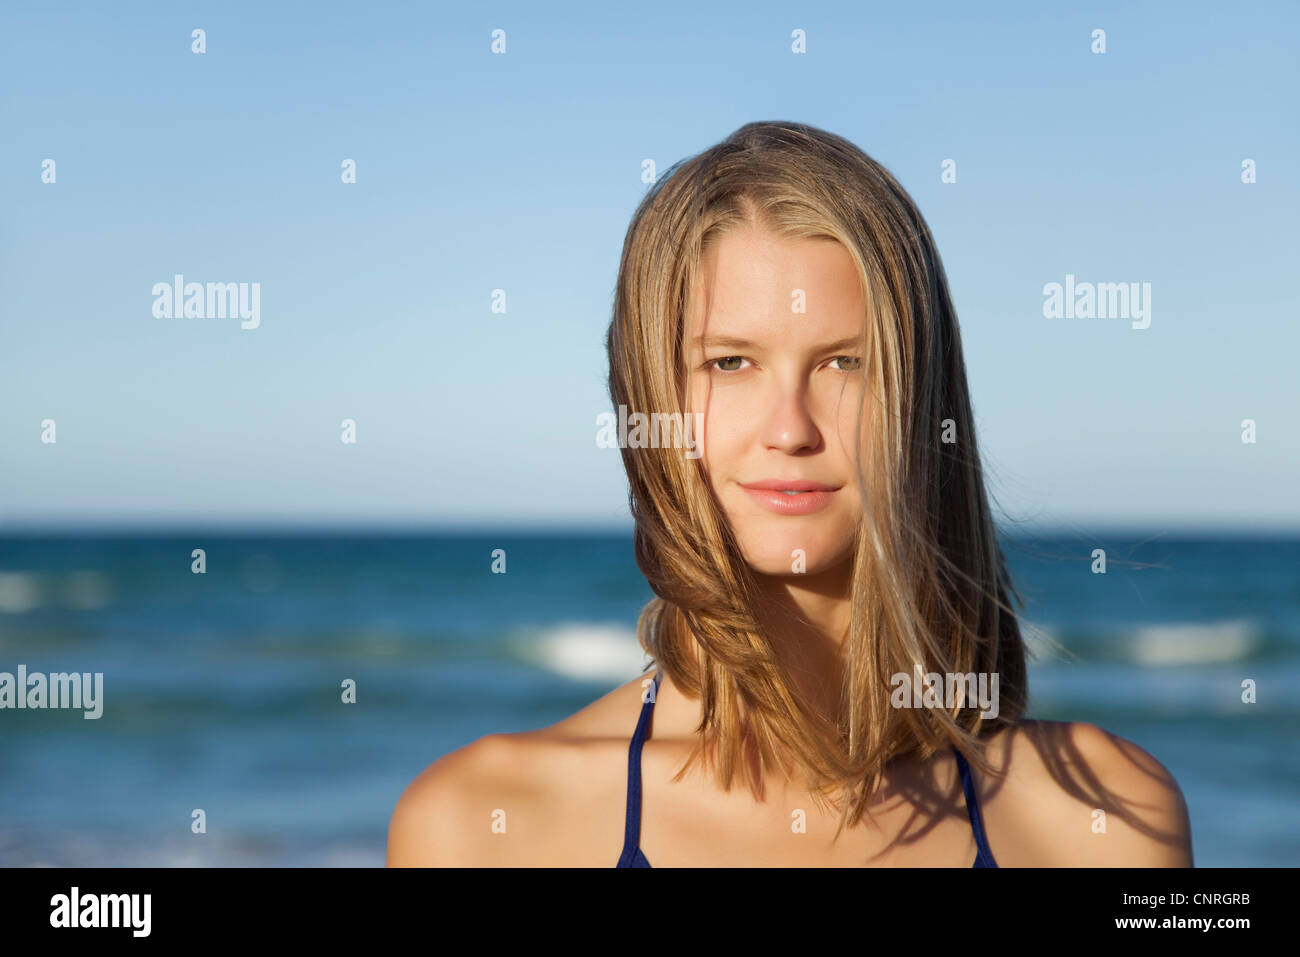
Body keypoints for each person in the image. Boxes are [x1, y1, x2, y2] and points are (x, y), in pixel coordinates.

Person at [387, 121, 1193, 867]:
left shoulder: (1105, 819)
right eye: (729, 363)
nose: (790, 428)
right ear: (648, 402)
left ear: (922, 400)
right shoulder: (480, 827)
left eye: (846, 362)